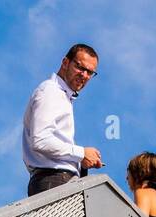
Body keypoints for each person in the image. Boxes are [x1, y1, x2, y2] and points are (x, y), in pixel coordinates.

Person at [23, 44, 103, 197]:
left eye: (90, 72)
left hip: (57, 181)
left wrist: (80, 162)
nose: (85, 75)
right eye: (80, 68)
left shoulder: (62, 96)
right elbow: (41, 140)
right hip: (53, 181)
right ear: (65, 62)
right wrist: (81, 153)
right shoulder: (51, 90)